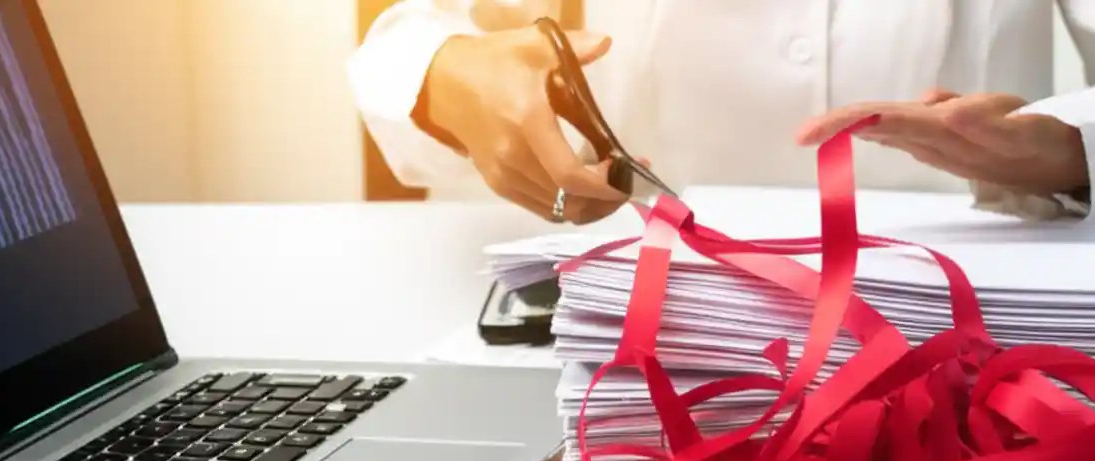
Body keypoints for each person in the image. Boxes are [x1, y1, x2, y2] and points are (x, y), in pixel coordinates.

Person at [347, 0, 1095, 225]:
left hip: (990, 328)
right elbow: (414, 33)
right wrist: (442, 76)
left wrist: (1073, 149)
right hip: (652, 329)